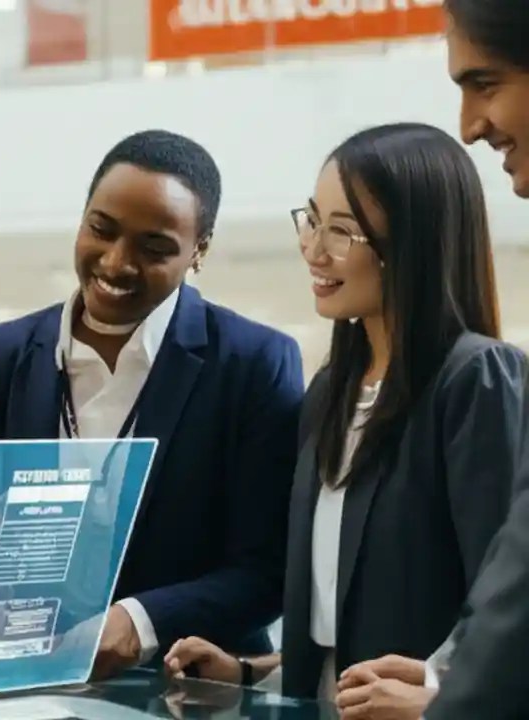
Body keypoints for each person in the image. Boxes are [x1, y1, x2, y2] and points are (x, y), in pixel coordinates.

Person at [162, 123, 525, 718]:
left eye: (342, 231)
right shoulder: (331, 389)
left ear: (412, 245)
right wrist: (252, 672)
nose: (314, 248)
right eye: (311, 219)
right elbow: (339, 625)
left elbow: (506, 605)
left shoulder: (476, 380)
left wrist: (438, 694)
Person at [0, 129, 304, 678]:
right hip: (32, 678)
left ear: (199, 251)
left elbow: (269, 569)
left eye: (154, 248)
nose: (116, 263)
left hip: (184, 689)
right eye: (101, 230)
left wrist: (140, 620)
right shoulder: (8, 353)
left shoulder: (255, 363)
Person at [384, 2, 529, 719]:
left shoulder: (478, 376)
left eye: (486, 82)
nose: (470, 125)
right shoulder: (329, 394)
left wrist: (452, 697)